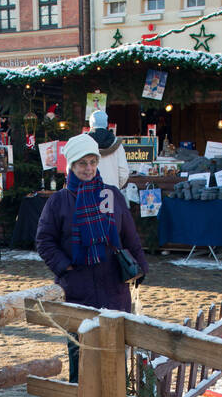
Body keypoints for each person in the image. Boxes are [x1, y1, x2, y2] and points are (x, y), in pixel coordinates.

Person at [35, 133, 147, 381]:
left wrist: (140, 267)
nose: (88, 169)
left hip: (113, 287)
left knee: (114, 352)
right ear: (72, 166)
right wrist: (65, 267)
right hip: (77, 290)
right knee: (80, 353)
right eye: (82, 163)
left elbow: (130, 235)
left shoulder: (112, 195)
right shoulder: (59, 202)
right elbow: (44, 241)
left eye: (92, 162)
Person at [87, 108, 129, 190]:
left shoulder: (84, 143)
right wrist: (116, 186)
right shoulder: (117, 144)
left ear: (91, 124)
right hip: (111, 193)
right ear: (106, 124)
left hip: (89, 192)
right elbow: (124, 172)